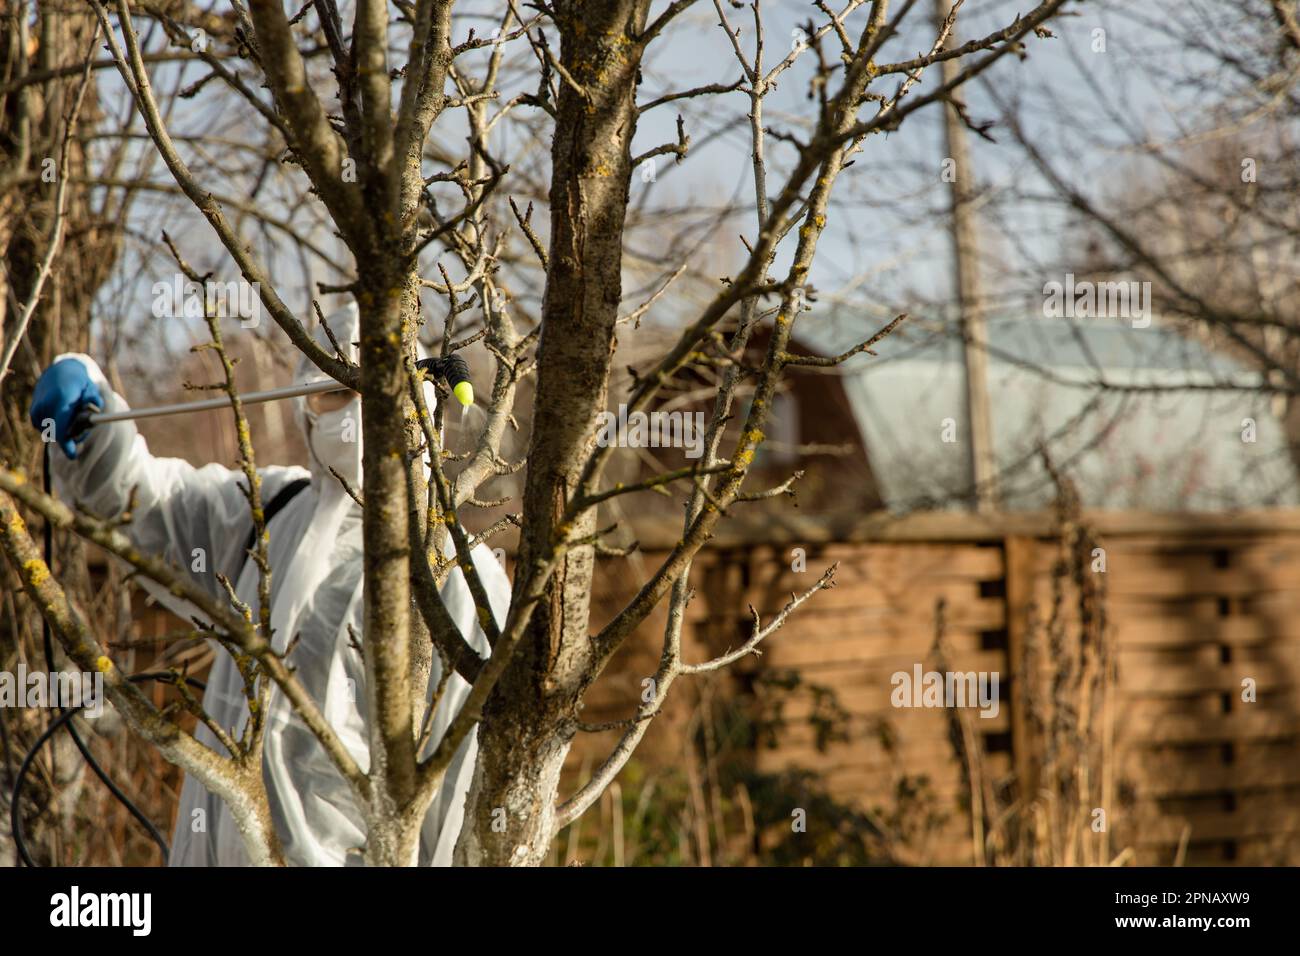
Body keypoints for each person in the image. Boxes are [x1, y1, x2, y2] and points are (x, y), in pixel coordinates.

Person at [27, 303, 509, 865]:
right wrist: (93, 422)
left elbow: (462, 799)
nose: (355, 413)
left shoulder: (458, 579)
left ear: (422, 400)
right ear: (304, 405)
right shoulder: (269, 512)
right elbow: (149, 506)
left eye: (373, 391)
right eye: (334, 392)